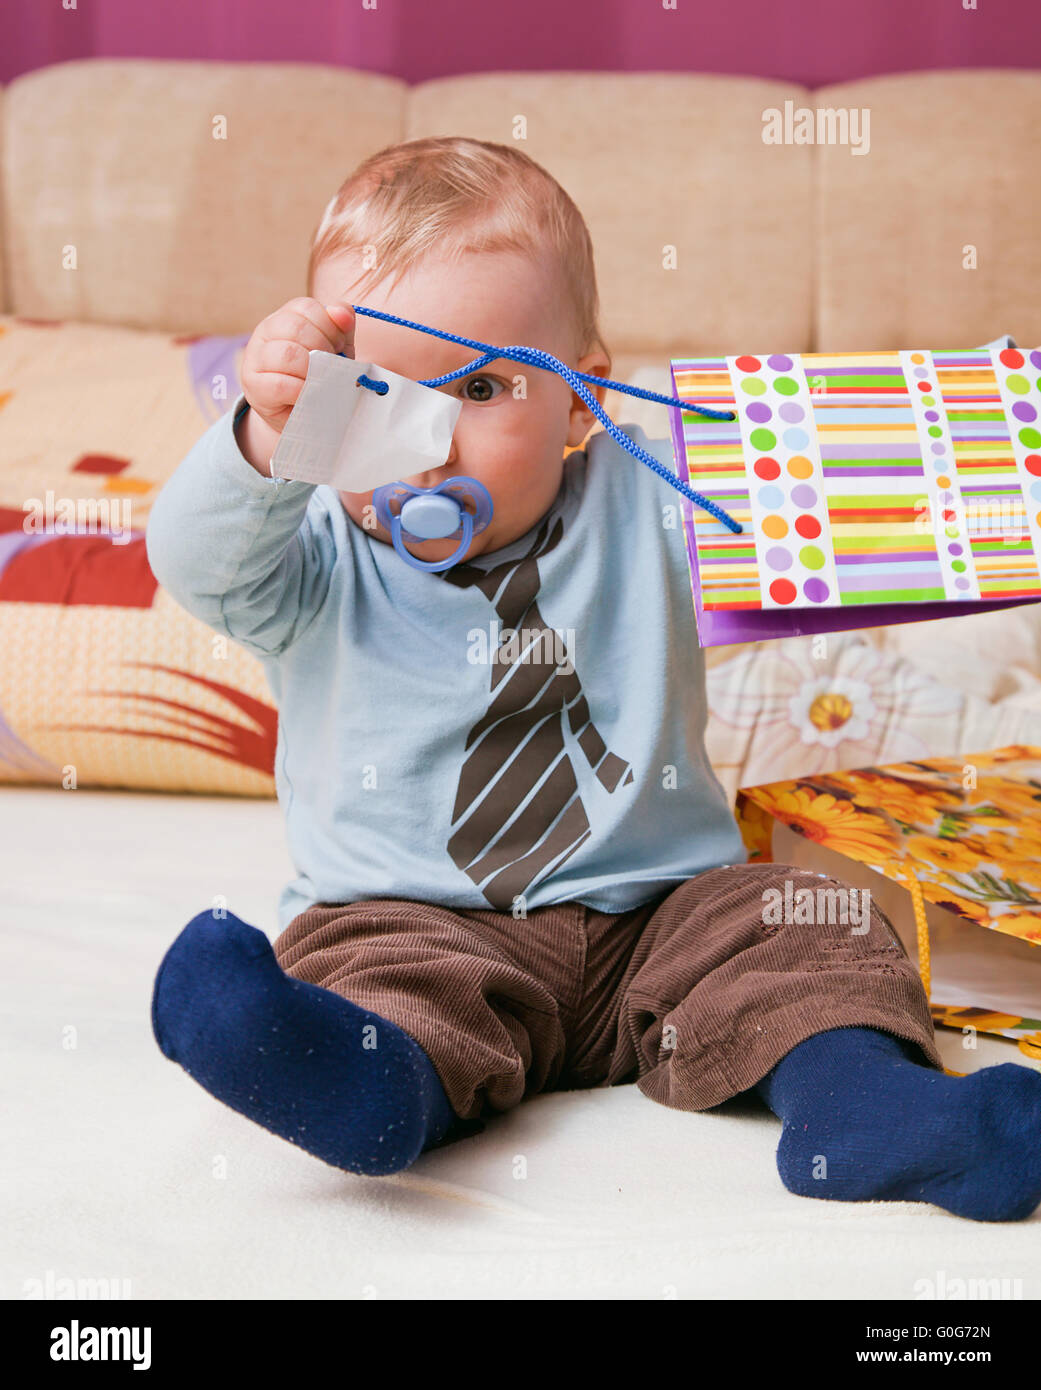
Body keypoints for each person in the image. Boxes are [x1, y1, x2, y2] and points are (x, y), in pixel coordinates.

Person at [146, 137, 1041, 1222]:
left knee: (804, 922)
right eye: (370, 396)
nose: (425, 450)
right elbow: (194, 556)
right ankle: (354, 1082)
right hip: (418, 919)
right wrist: (262, 433)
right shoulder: (312, 558)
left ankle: (865, 1108)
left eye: (480, 386)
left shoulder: (649, 491)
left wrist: (993, 450)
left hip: (658, 915)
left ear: (580, 404)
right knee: (367, 972)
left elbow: (847, 488)